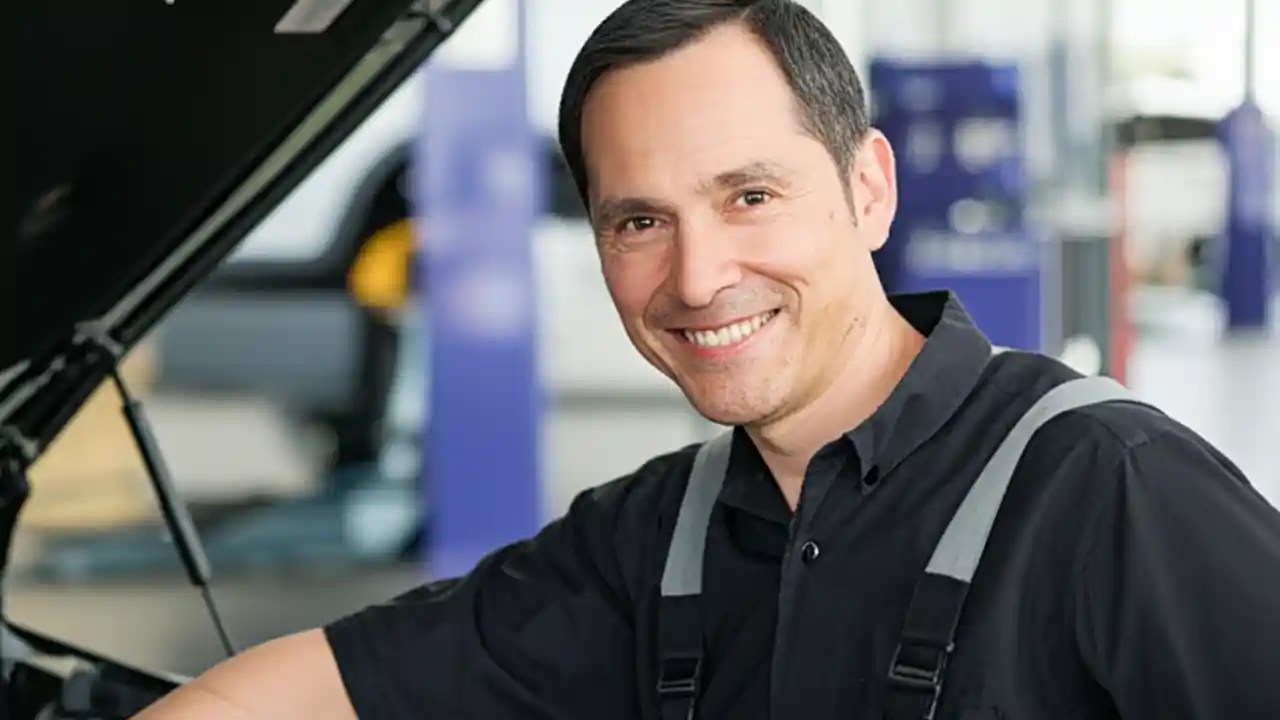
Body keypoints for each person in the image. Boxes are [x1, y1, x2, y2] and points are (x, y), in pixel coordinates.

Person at [135, 1, 1280, 718]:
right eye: (639, 221)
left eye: (749, 196)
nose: (694, 277)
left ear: (866, 187)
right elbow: (295, 690)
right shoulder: (648, 543)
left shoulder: (1111, 490)